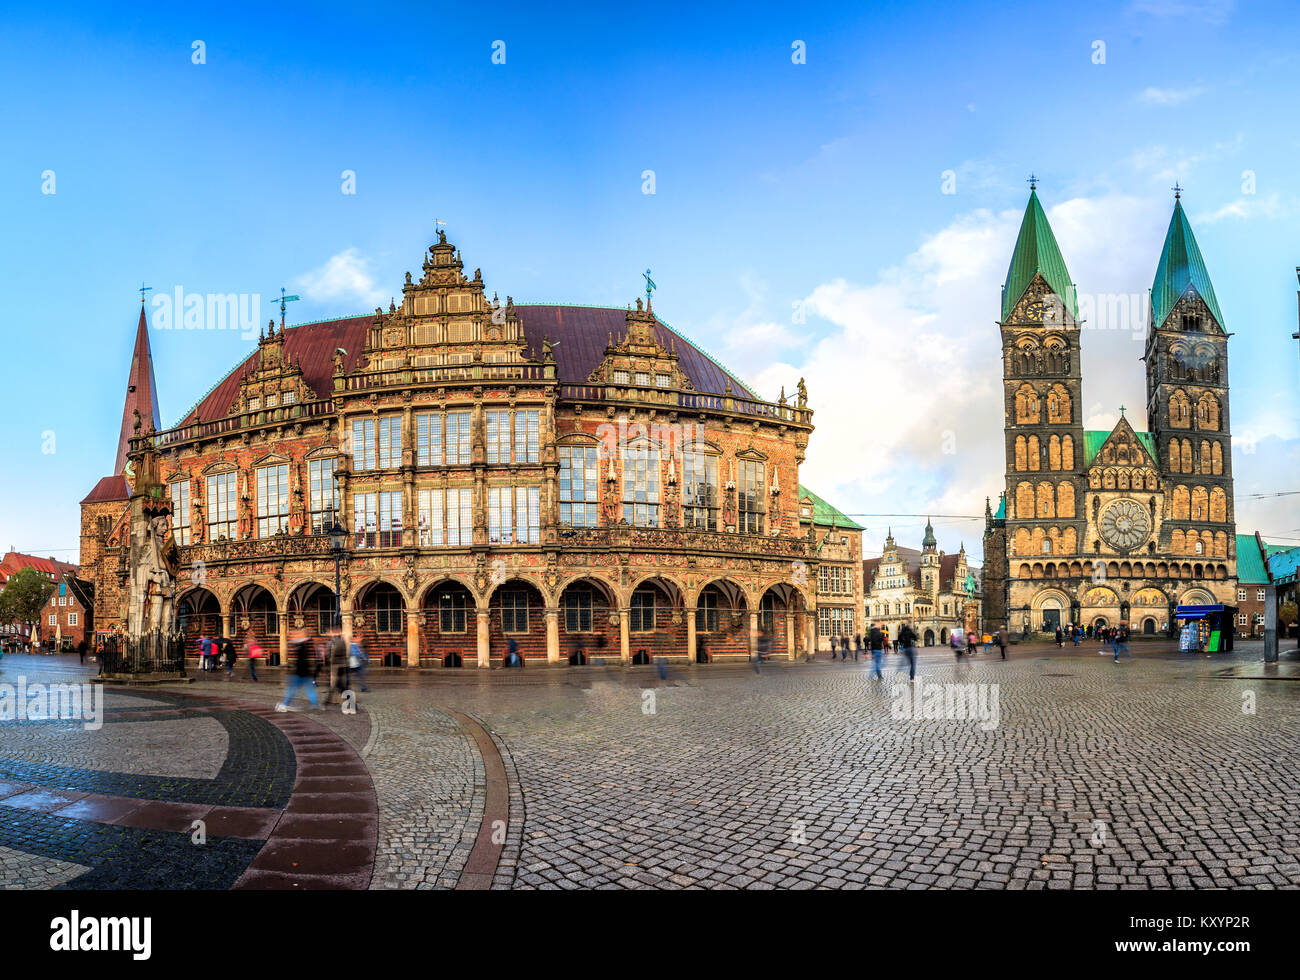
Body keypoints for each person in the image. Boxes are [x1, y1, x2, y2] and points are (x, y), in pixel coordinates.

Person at [277, 628, 319, 711]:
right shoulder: (303, 644)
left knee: (293, 689)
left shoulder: (302, 645)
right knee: (307, 689)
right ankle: (314, 704)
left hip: (301, 672)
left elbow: (301, 660)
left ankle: (285, 704)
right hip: (303, 672)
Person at [323, 628, 348, 705]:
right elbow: (345, 654)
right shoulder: (343, 642)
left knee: (334, 685)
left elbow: (329, 655)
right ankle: (329, 700)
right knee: (341, 686)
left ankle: (328, 701)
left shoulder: (332, 642)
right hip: (342, 665)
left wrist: (330, 661)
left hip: (335, 667)